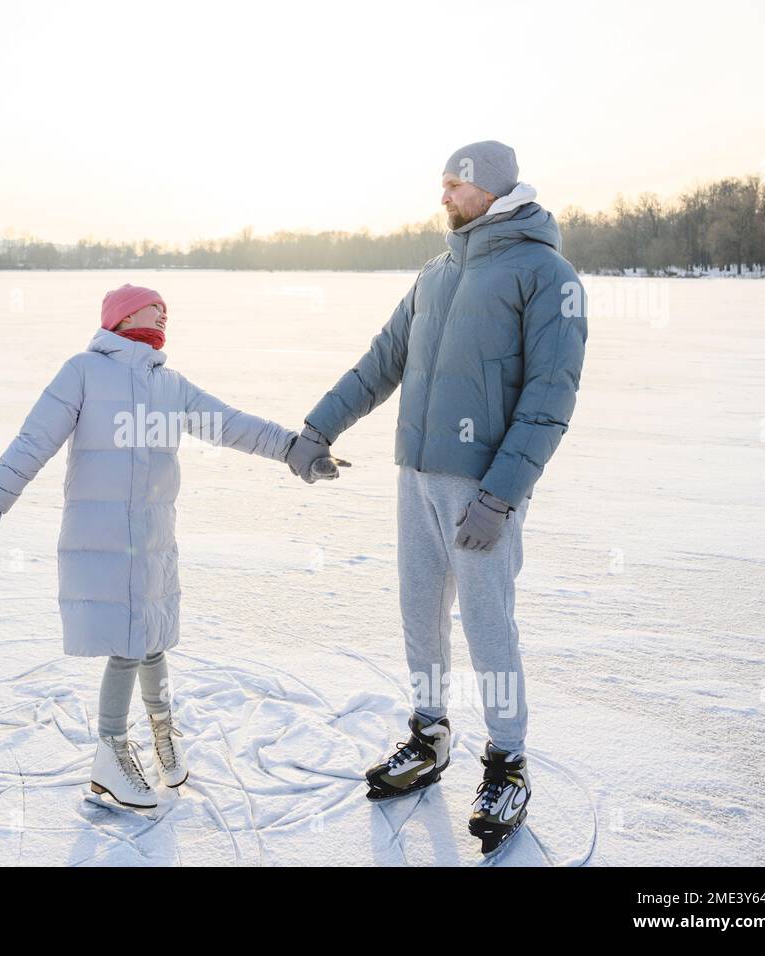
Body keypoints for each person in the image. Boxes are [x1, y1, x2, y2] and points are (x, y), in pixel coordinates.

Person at [287, 141, 587, 853]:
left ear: (494, 190)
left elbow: (550, 398)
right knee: (419, 611)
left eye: (455, 185)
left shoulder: (545, 274)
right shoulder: (434, 273)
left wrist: (502, 495)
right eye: (443, 185)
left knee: (489, 626)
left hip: (483, 488)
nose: (444, 197)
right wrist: (315, 429)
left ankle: (507, 761)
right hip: (415, 478)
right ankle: (429, 737)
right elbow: (379, 363)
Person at [0, 284, 304, 811]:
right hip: (101, 540)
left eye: (168, 308)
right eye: (153, 305)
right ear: (121, 316)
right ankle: (110, 756)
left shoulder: (171, 385)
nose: (164, 312)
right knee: (125, 647)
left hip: (154, 541)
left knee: (153, 641)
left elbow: (230, 424)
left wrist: (292, 449)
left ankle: (163, 736)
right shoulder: (84, 372)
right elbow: (32, 442)